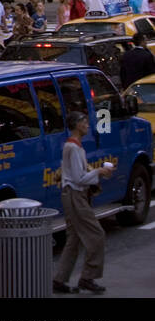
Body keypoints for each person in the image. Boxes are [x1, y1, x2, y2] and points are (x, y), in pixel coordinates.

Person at [53, 111, 116, 293]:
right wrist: (98, 172)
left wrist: (97, 173)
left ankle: (60, 279)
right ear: (77, 125)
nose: (88, 125)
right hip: (75, 196)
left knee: (73, 239)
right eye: (85, 122)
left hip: (73, 194)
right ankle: (88, 277)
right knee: (96, 235)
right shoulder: (72, 148)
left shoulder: (75, 146)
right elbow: (79, 178)